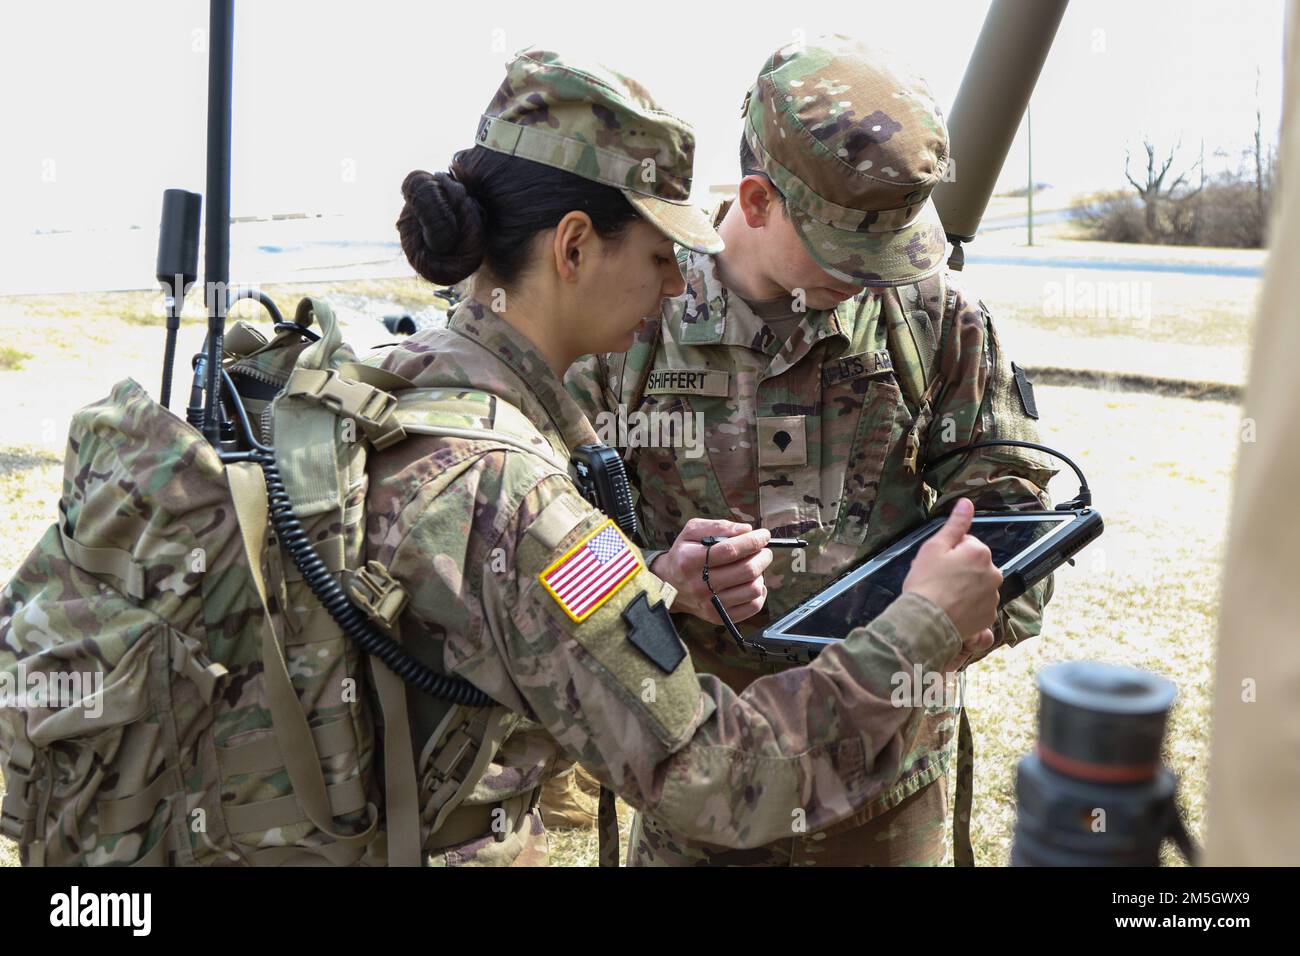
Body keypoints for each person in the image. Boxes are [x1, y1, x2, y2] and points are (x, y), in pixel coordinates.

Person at [365, 47, 1003, 865]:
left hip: (879, 782)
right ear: (573, 249)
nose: (674, 285)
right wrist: (919, 628)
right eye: (661, 258)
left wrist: (655, 584)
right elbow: (713, 773)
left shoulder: (402, 395)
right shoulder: (518, 485)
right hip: (722, 775)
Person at [565, 35, 1057, 866]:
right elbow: (542, 555)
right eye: (849, 253)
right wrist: (658, 579)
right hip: (703, 790)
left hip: (889, 797)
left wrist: (976, 609)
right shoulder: (630, 321)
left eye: (893, 253)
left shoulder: (935, 319)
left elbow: (1014, 512)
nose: (874, 279)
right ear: (757, 201)